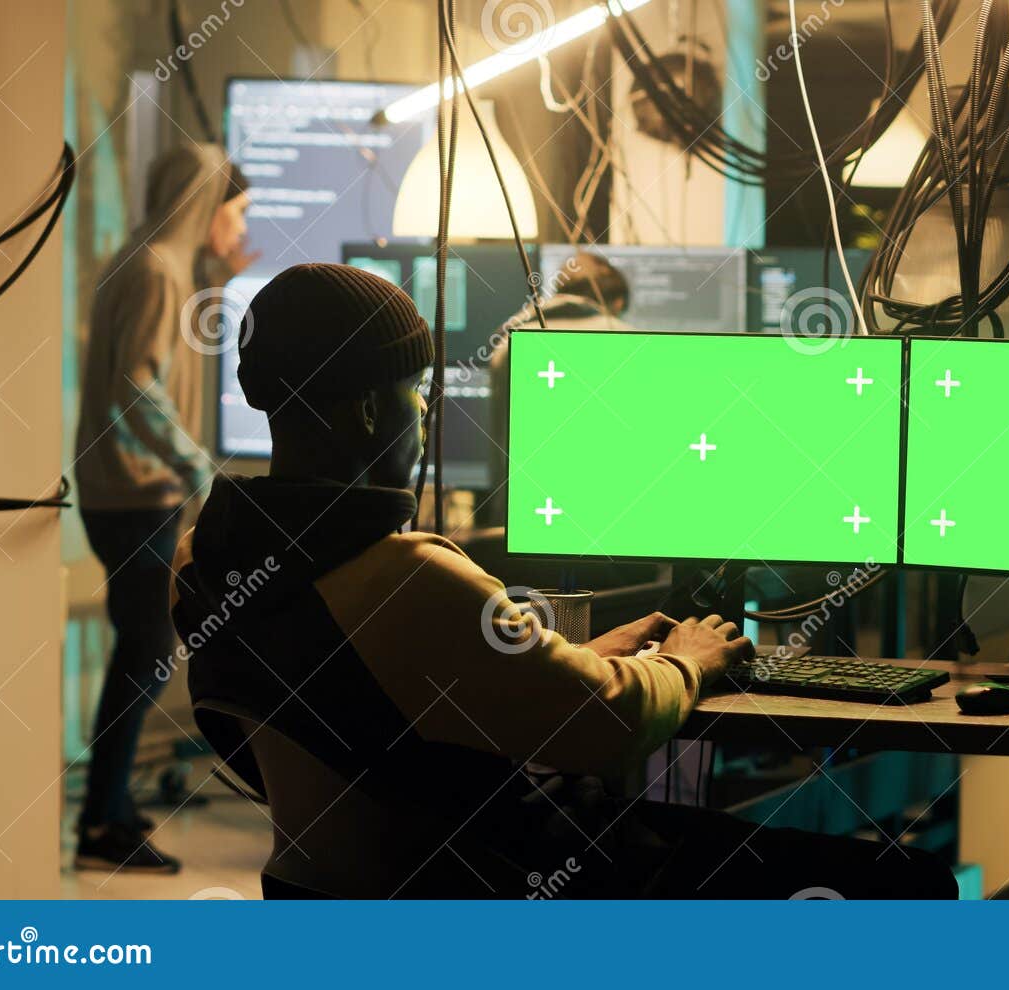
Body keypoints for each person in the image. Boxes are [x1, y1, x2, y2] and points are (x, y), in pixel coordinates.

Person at [173, 263, 957, 898]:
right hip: (500, 881)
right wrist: (685, 660)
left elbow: (396, 709)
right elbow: (605, 726)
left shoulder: (206, 569)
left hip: (326, 894)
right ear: (373, 414)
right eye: (415, 393)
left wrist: (580, 659)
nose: (422, 418)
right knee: (909, 883)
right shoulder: (404, 577)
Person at [72, 144, 252, 873]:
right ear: (204, 206)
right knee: (144, 655)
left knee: (140, 653)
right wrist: (195, 463)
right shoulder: (154, 272)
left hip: (129, 493)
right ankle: (100, 827)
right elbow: (137, 385)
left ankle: (109, 809)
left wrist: (218, 276)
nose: (241, 228)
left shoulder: (153, 263)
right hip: (137, 494)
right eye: (236, 213)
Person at [485, 250, 633, 524]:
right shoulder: (628, 341)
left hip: (522, 525)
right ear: (617, 302)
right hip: (611, 523)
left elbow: (498, 456)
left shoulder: (508, 347)